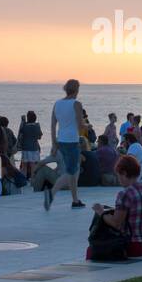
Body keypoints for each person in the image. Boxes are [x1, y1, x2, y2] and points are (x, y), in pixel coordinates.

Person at [90, 155, 142, 258]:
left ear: (124, 173)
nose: (118, 179)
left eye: (118, 175)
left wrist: (101, 212)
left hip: (132, 245)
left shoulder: (124, 194)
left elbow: (116, 224)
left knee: (92, 250)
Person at [46, 79, 86, 211]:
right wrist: (88, 126)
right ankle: (51, 194)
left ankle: (75, 200)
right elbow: (81, 126)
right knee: (71, 172)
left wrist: (54, 143)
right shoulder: (76, 104)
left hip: (61, 141)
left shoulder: (57, 104)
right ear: (76, 90)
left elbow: (53, 125)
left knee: (73, 170)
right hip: (72, 141)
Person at [18, 111, 43, 178]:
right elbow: (39, 137)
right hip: (34, 148)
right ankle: (33, 180)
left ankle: (24, 180)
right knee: (33, 166)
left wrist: (23, 121)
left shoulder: (25, 126)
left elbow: (20, 134)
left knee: (24, 166)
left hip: (25, 148)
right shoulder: (37, 126)